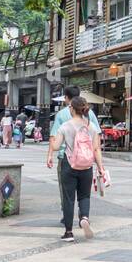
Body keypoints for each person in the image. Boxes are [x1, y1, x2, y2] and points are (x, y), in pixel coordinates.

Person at [48, 96, 104, 243]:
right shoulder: (90, 127)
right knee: (84, 196)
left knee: (68, 199)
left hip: (69, 165)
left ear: (72, 109)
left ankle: (68, 232)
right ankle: (84, 217)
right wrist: (101, 168)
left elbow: (55, 147)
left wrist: (52, 140)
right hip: (86, 166)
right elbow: (96, 149)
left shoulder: (65, 126)